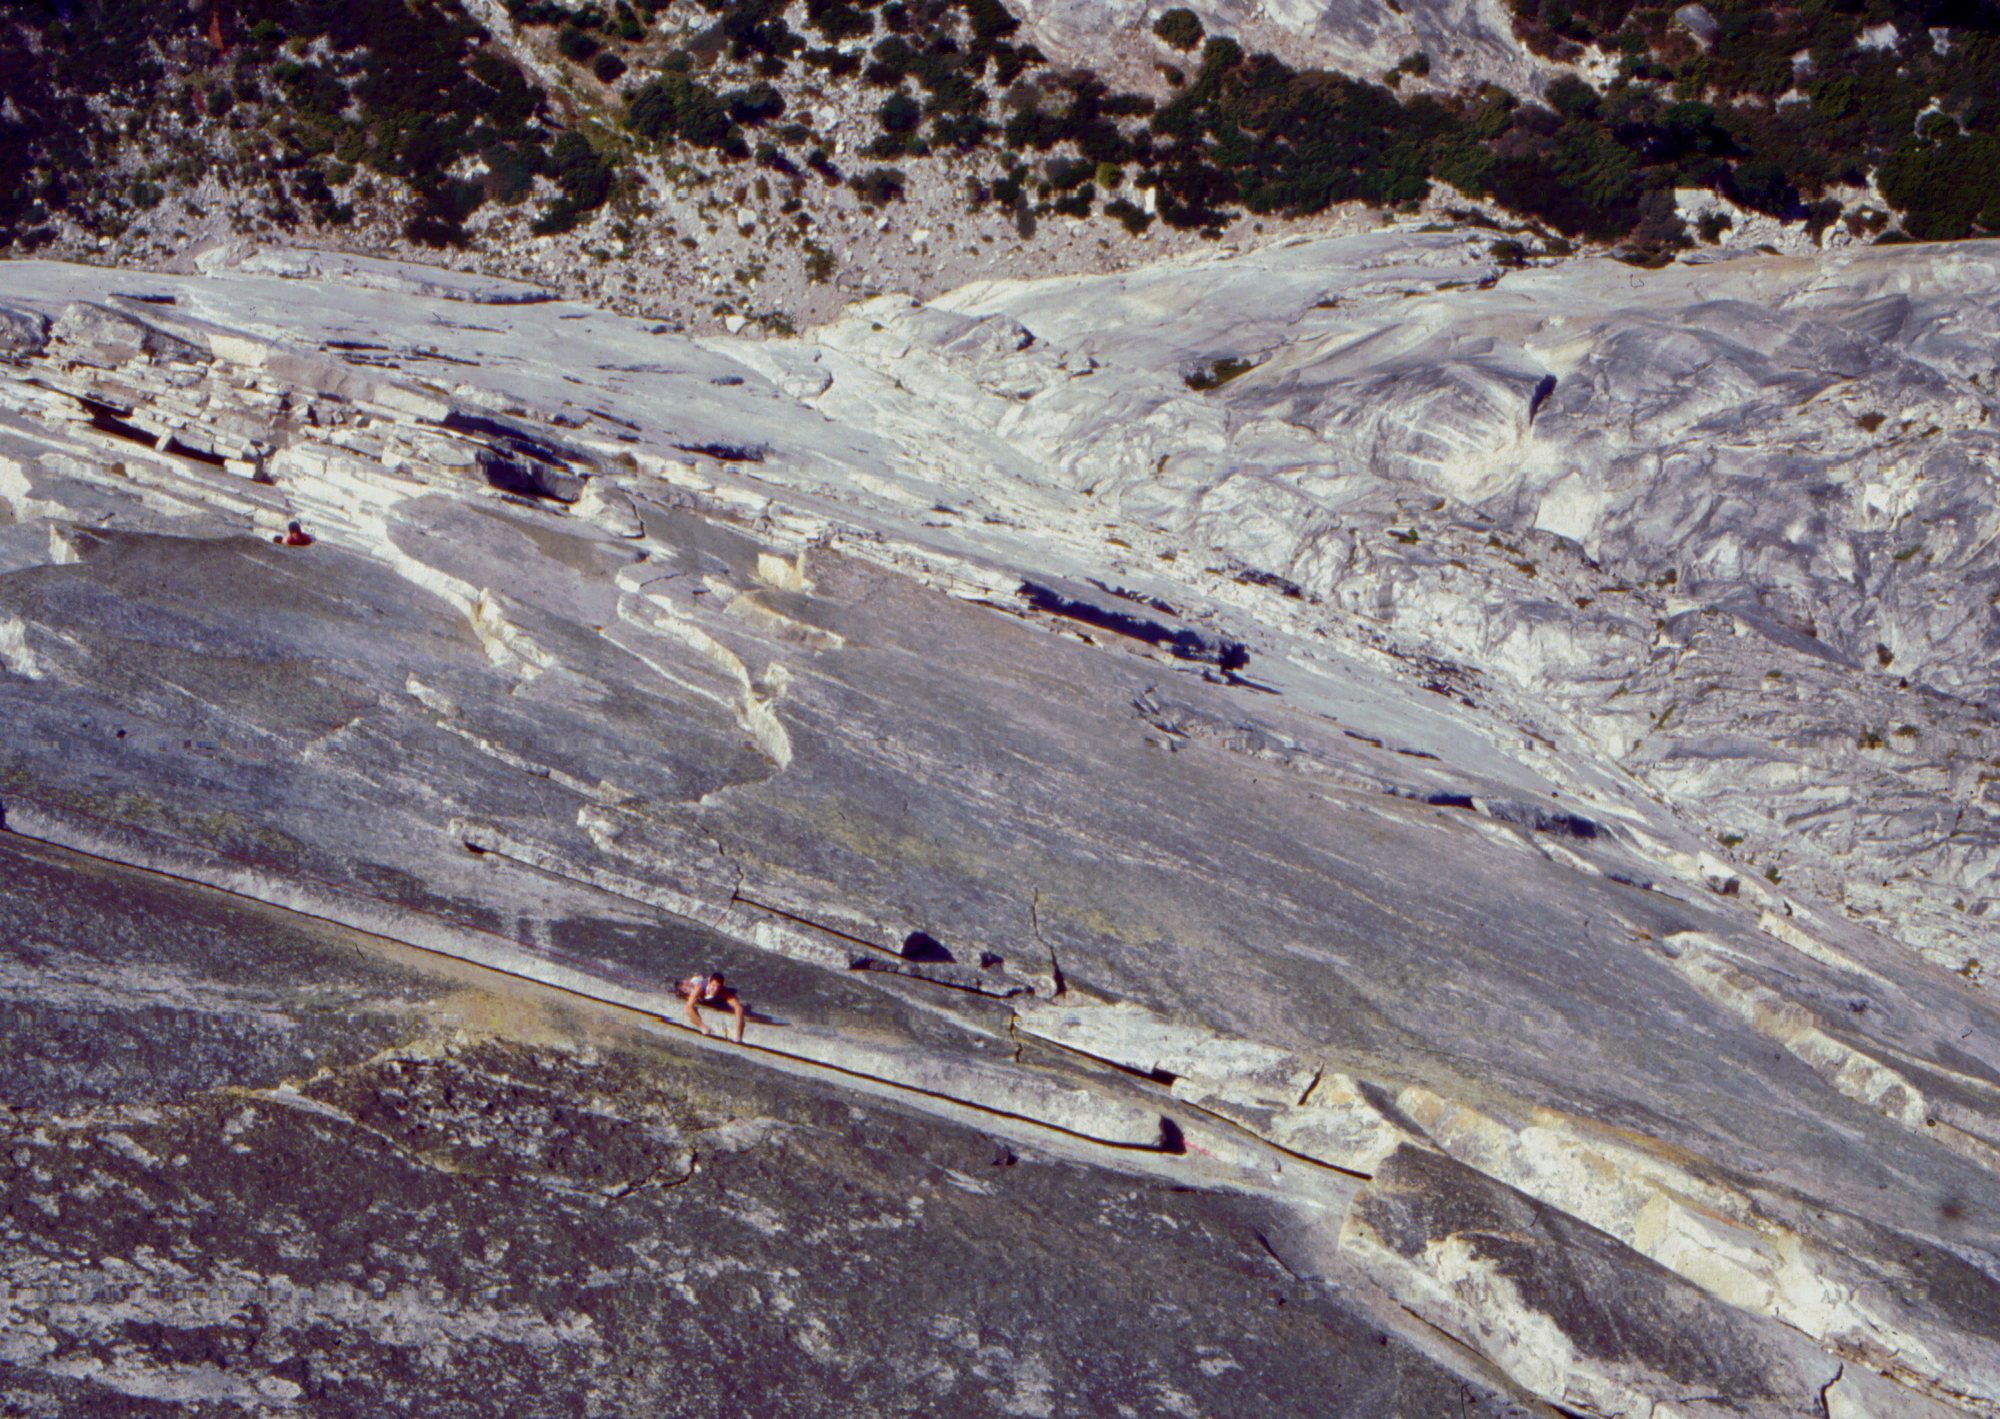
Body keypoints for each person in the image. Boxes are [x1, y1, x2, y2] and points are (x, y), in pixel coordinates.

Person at [676, 971, 746, 1042]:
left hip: (709, 998)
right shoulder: (699, 987)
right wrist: (702, 1026)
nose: (715, 989)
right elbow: (688, 1008)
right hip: (696, 989)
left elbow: (739, 1008)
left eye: (718, 987)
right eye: (713, 985)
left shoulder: (722, 990)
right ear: (709, 983)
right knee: (685, 991)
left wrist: (738, 1033)